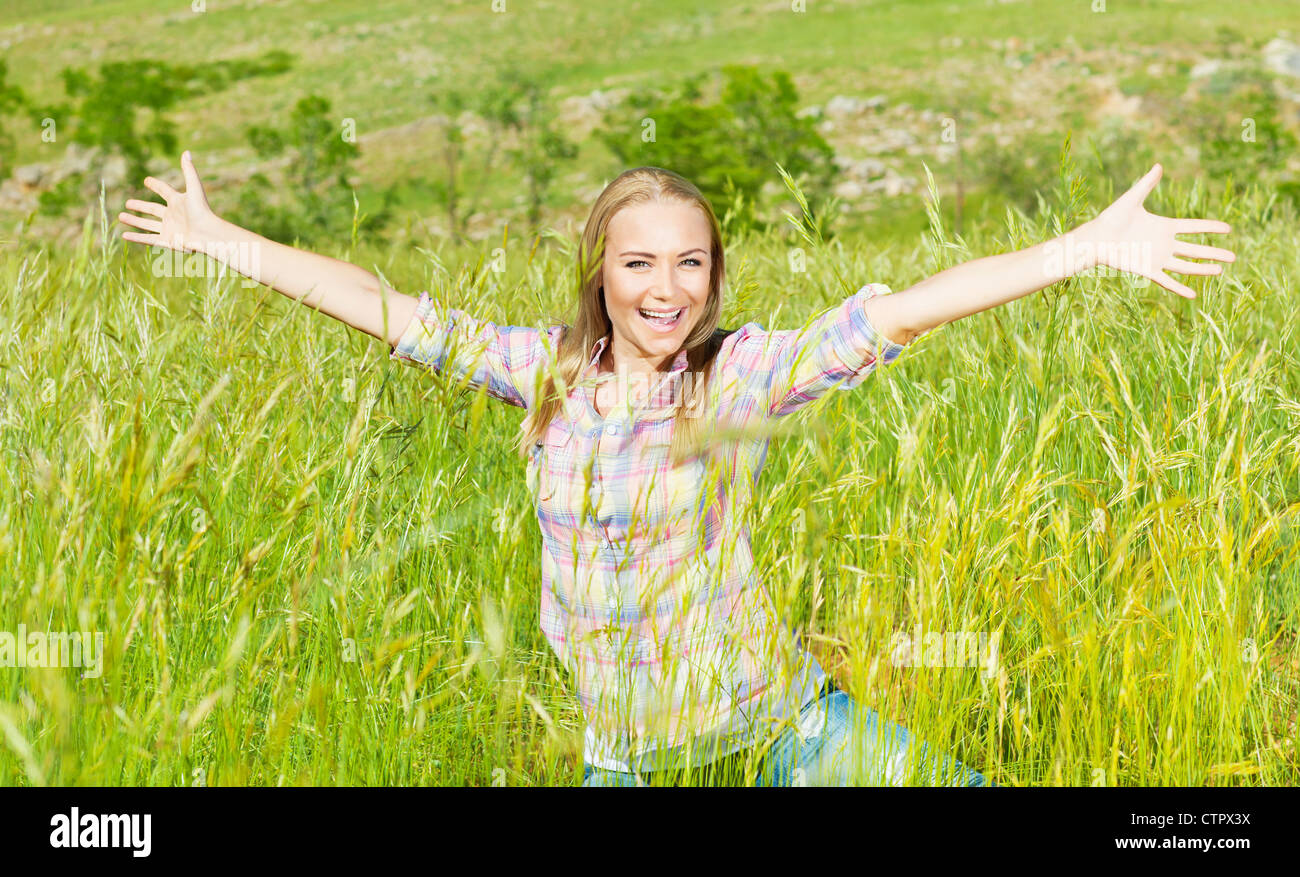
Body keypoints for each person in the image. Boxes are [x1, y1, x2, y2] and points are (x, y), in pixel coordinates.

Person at [119, 154, 1234, 787]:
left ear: (713, 274)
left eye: (689, 261)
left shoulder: (739, 377)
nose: (666, 287)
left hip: (786, 737)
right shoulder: (539, 373)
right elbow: (382, 309)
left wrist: (1077, 250)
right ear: (599, 270)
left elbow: (897, 314)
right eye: (639, 260)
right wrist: (229, 244)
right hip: (631, 764)